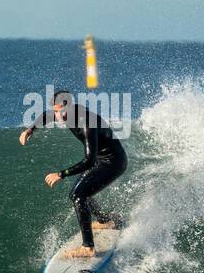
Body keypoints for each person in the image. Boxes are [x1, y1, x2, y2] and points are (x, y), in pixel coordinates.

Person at [19, 89, 127, 257]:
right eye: (55, 110)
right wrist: (30, 130)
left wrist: (61, 174)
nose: (57, 115)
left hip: (113, 163)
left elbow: (89, 161)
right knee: (81, 189)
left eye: (59, 111)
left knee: (78, 194)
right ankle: (105, 221)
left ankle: (88, 247)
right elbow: (48, 115)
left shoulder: (86, 123)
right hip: (101, 160)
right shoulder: (65, 112)